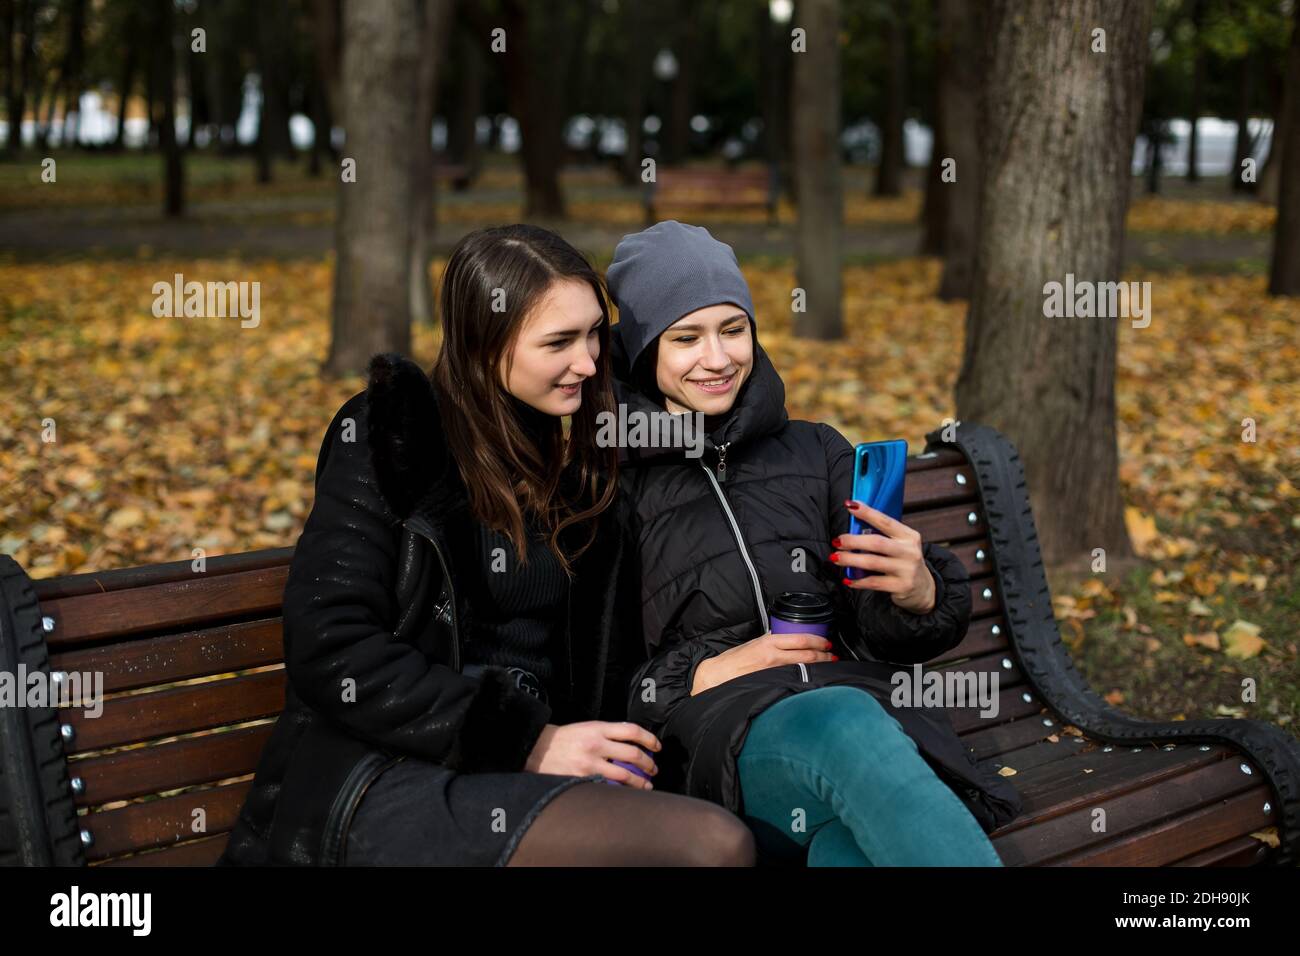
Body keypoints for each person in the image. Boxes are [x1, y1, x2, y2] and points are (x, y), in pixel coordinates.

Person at [218, 224, 755, 866]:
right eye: (558, 342)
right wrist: (523, 739)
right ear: (484, 346)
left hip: (539, 772)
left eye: (593, 335)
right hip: (390, 771)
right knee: (711, 847)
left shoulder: (580, 454)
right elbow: (331, 646)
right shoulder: (394, 438)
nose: (587, 361)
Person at [606, 220, 1023, 866]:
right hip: (720, 744)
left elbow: (879, 630)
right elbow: (602, 680)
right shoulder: (613, 487)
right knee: (842, 722)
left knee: (843, 850)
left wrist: (919, 592)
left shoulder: (816, 450)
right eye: (686, 338)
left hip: (858, 723)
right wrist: (705, 671)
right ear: (642, 353)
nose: (717, 359)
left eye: (733, 329)